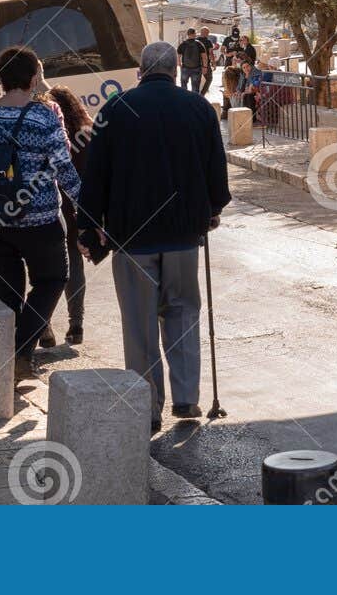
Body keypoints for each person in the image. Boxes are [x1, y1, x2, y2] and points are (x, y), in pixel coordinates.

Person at [78, 40, 231, 433]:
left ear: (140, 72)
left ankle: (148, 407)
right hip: (183, 236)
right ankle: (186, 399)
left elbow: (95, 177)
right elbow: (217, 172)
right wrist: (212, 210)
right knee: (182, 313)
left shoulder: (115, 110)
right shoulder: (199, 109)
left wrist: (87, 223)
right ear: (176, 71)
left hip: (132, 239)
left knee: (139, 323)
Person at [0, 45, 81, 382]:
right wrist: (85, 207)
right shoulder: (43, 117)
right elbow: (63, 165)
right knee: (52, 279)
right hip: (37, 218)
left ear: (2, 78)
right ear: (32, 77)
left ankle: (6, 364)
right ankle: (20, 353)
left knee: (5, 290)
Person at [39, 85, 94, 349]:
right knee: (75, 267)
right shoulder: (87, 134)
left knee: (44, 270)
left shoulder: (49, 133)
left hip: (51, 205)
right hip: (76, 209)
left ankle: (44, 326)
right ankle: (76, 325)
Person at [178, 26, 206, 92]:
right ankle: (194, 101)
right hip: (196, 68)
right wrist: (205, 67)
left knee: (183, 87)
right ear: (194, 34)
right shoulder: (199, 43)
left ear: (188, 34)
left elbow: (178, 56)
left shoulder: (183, 44)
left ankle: (184, 100)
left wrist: (180, 64)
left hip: (185, 67)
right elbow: (204, 57)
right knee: (195, 87)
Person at [197, 26, 216, 95]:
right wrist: (214, 63)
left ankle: (196, 94)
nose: (208, 34)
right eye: (208, 33)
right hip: (205, 64)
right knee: (209, 78)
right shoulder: (208, 42)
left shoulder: (195, 40)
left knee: (197, 80)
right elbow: (211, 53)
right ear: (205, 33)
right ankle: (202, 94)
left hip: (195, 64)